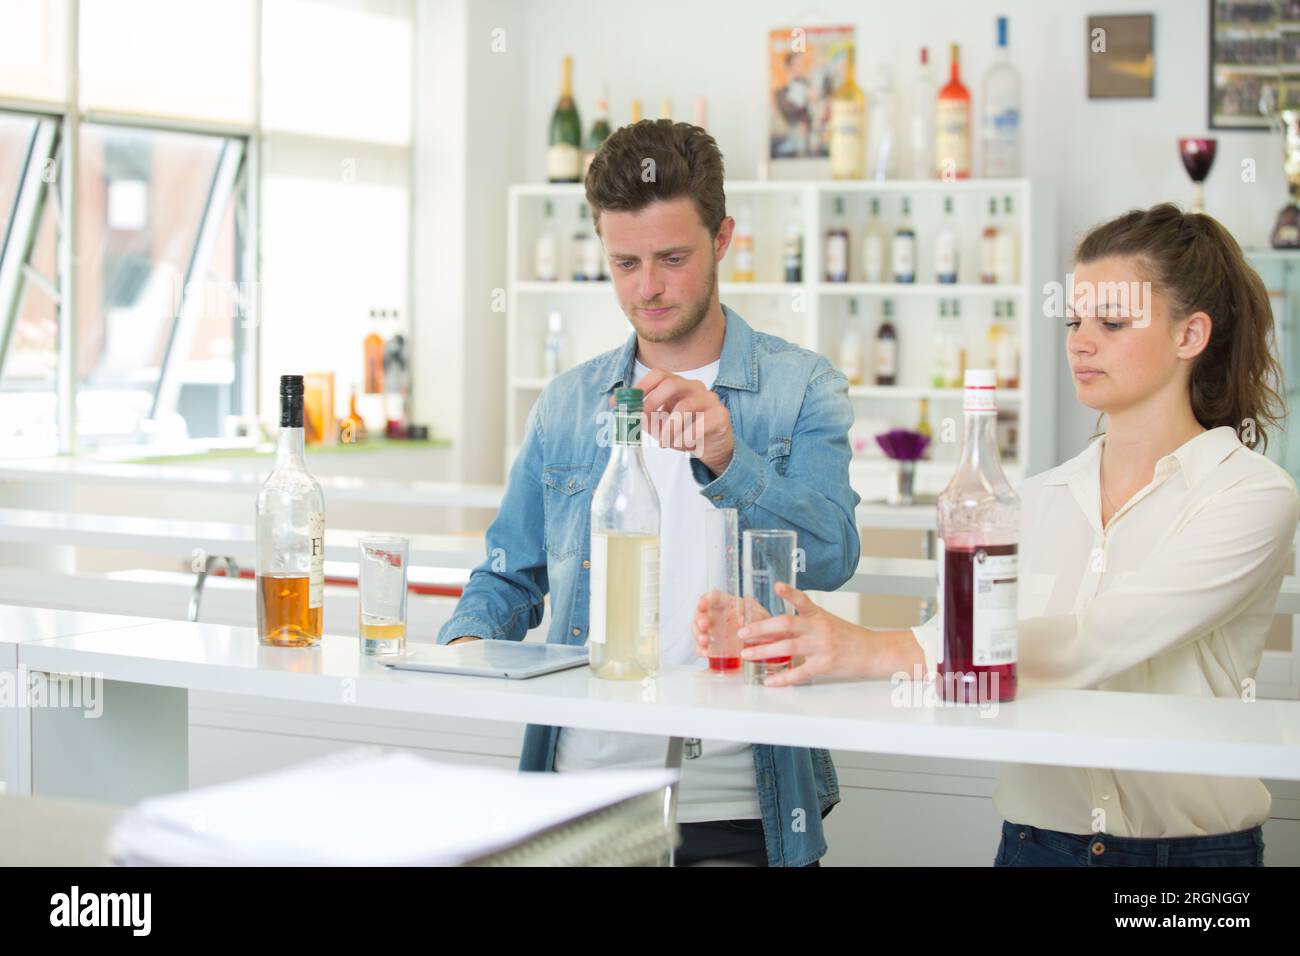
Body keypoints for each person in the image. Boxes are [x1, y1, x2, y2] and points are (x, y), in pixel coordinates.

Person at [698, 204, 1299, 866]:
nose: (1079, 341)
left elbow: (1098, 639)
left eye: (1112, 321)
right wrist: (791, 642)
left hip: (1192, 860)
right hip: (1035, 848)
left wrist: (879, 647)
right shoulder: (1032, 500)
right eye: (1073, 319)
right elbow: (961, 638)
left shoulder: (1249, 495)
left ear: (1191, 335)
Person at [438, 119, 861, 867]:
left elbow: (830, 556)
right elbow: (510, 571)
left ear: (723, 238)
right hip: (584, 792)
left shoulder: (803, 387)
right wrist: (465, 649)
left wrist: (732, 457)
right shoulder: (569, 402)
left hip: (739, 802)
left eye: (673, 258)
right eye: (625, 262)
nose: (649, 288)